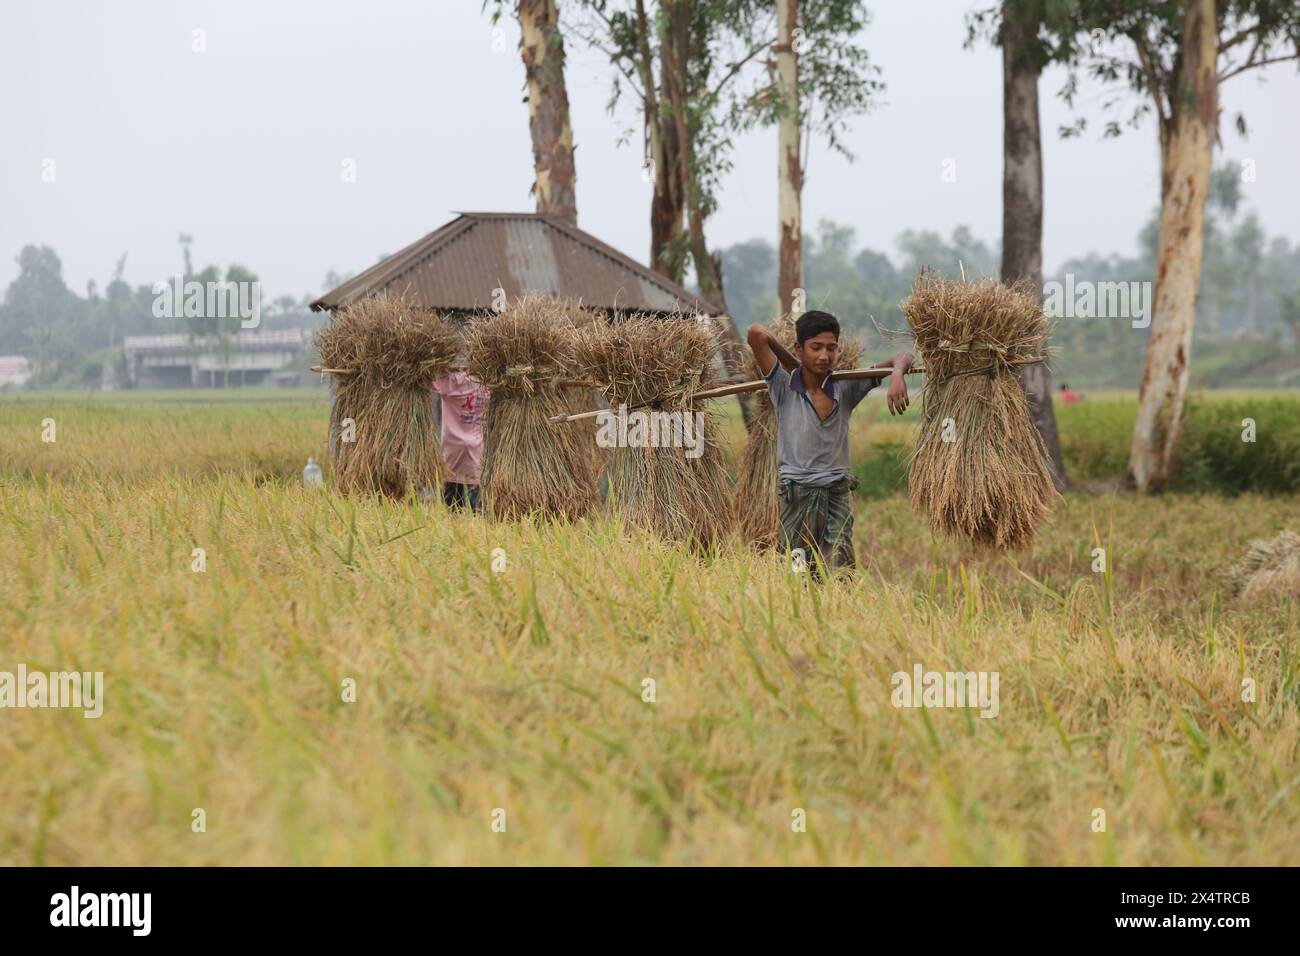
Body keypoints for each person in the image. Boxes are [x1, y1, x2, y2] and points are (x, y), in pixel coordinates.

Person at [746, 310, 913, 577]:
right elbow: (756, 333)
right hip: (796, 494)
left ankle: (837, 614)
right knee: (797, 570)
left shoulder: (846, 388)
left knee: (841, 570)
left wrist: (896, 376)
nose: (824, 355)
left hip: (837, 493)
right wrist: (794, 364)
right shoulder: (784, 387)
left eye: (831, 348)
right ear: (799, 348)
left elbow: (903, 358)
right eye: (815, 348)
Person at [432, 368, 490, 511]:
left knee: (450, 514)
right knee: (475, 516)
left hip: (453, 459)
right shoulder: (489, 383)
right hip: (479, 459)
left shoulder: (452, 382)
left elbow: (425, 377)